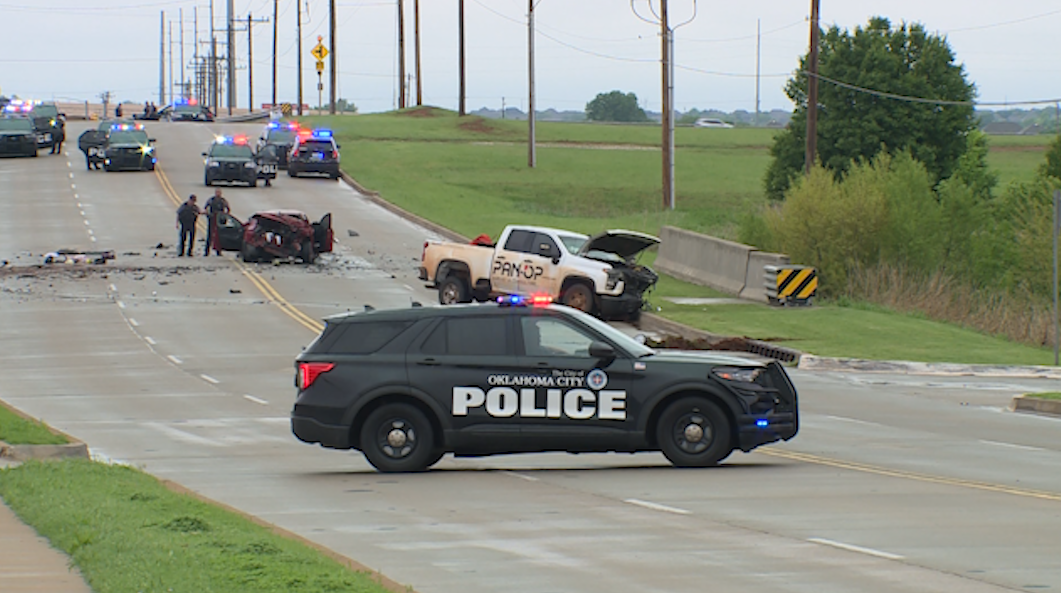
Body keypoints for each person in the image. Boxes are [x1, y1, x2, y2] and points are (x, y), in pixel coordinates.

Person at [202, 189, 230, 256]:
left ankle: (218, 251)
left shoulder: (223, 201)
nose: (218, 194)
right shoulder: (211, 200)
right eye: (217, 192)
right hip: (212, 219)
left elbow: (228, 209)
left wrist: (224, 216)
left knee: (219, 236)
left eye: (219, 192)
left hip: (219, 220)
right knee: (210, 235)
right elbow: (206, 208)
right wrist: (208, 215)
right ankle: (206, 251)